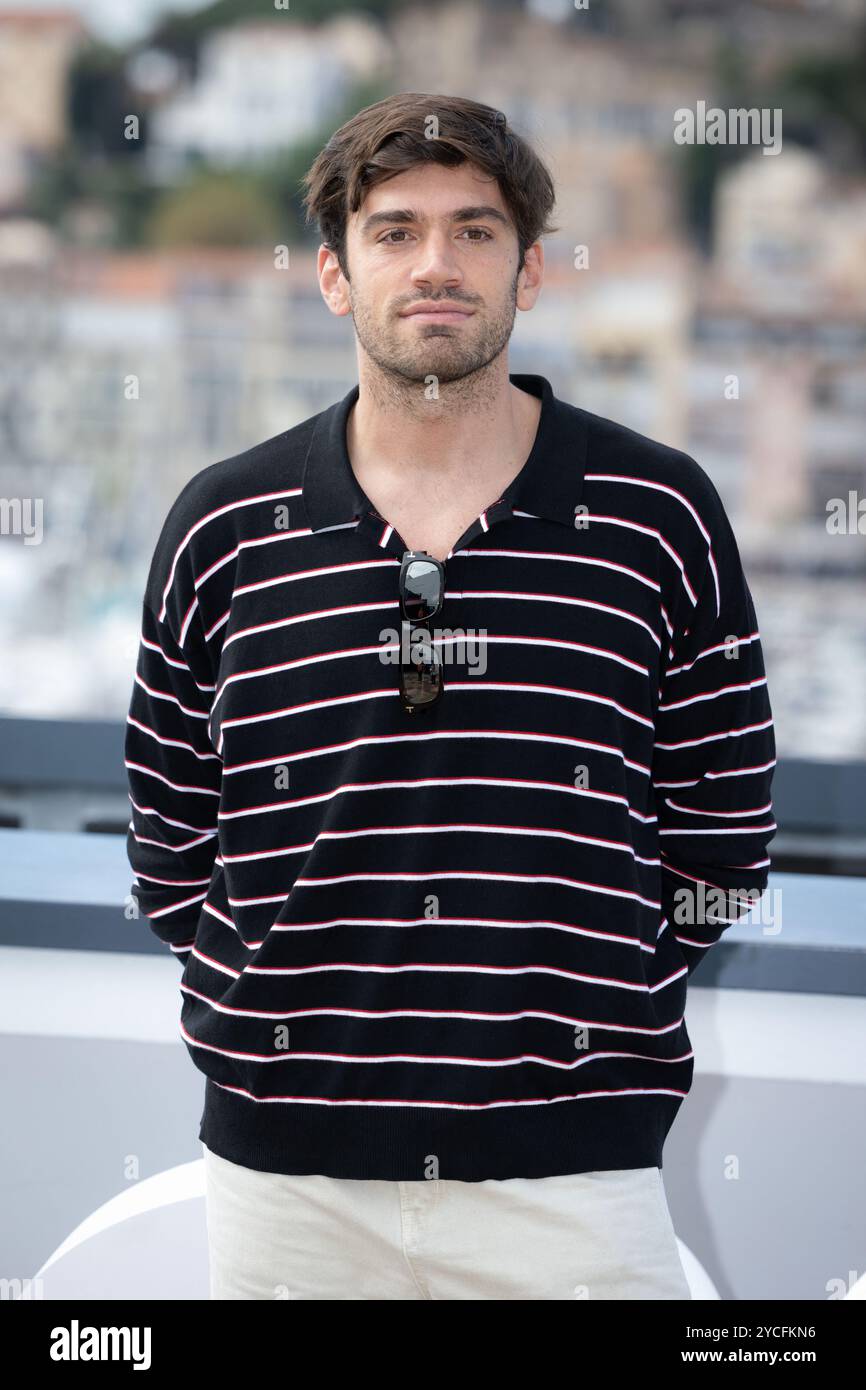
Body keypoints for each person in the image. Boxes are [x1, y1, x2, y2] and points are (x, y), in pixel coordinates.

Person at [124, 93, 776, 1300]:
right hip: (287, 1186)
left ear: (528, 273)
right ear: (334, 274)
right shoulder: (223, 527)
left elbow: (723, 831)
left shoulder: (654, 513)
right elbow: (170, 843)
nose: (436, 263)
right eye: (395, 231)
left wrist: (589, 997)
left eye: (475, 231)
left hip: (574, 1180)